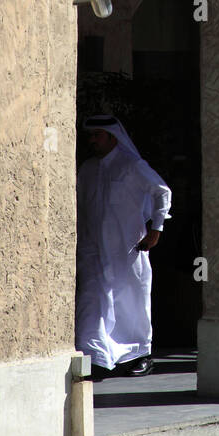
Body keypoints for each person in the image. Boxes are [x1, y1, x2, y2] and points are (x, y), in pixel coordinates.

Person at [76, 115, 172, 378]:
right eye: (91, 135)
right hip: (93, 248)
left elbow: (162, 191)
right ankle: (96, 356)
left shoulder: (132, 165)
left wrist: (156, 229)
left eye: (98, 134)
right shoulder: (88, 169)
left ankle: (141, 354)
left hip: (127, 249)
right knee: (93, 301)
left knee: (131, 302)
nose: (93, 140)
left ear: (111, 136)